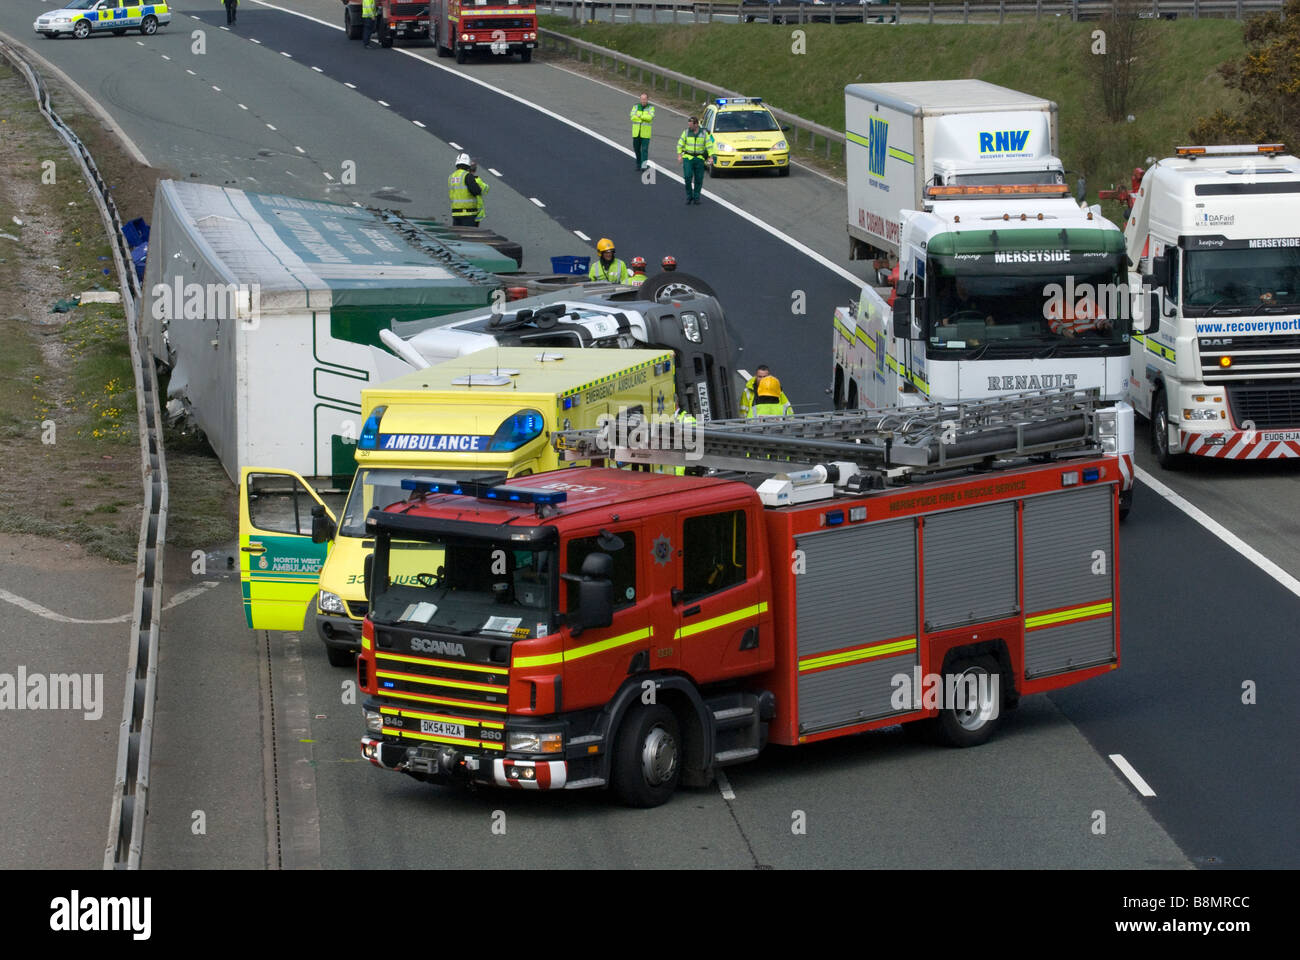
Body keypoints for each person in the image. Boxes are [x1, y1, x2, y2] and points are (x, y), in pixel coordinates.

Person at [677, 116, 713, 206]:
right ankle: (689, 196)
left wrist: (710, 156)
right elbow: (680, 144)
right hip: (688, 158)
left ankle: (696, 197)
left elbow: (709, 145)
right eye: (688, 125)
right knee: (687, 177)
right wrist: (679, 155)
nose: (689, 127)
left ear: (696, 124)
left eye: (691, 125)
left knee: (699, 179)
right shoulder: (686, 132)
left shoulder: (704, 133)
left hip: (699, 158)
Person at [1046, 292, 1112, 338]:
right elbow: (1052, 322)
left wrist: (1104, 323)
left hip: (1088, 337)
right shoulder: (1057, 306)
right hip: (1064, 340)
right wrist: (1063, 331)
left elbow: (1099, 317)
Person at [448, 153, 481, 226]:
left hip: (455, 213)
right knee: (469, 235)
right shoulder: (467, 176)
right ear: (467, 164)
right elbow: (476, 191)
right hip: (468, 213)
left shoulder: (451, 177)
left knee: (458, 235)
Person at [630, 93, 655, 172]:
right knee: (636, 148)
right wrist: (644, 117)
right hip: (636, 132)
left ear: (647, 100)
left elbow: (650, 118)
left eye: (645, 99)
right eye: (642, 99)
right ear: (640, 99)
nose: (643, 101)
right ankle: (638, 163)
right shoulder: (636, 106)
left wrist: (639, 116)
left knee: (644, 150)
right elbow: (632, 117)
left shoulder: (651, 108)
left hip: (645, 133)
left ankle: (643, 166)